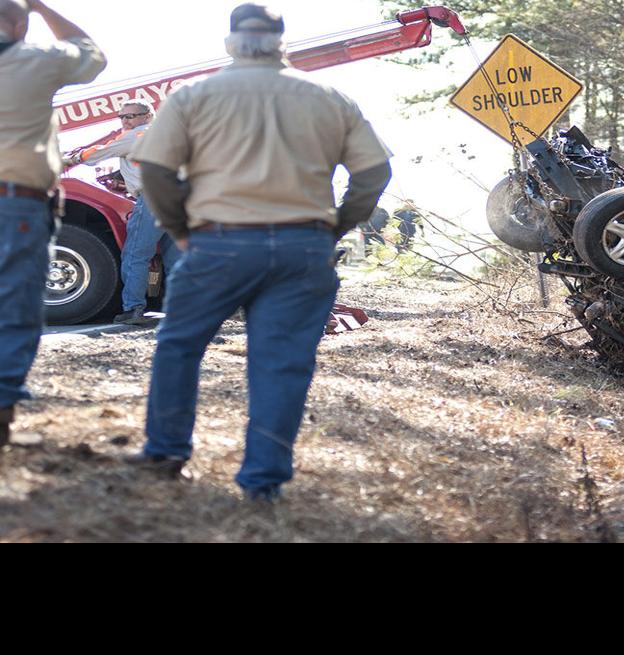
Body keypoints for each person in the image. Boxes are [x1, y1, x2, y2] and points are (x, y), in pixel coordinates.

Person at [129, 3, 392, 500]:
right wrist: (336, 226)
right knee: (283, 362)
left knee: (180, 345)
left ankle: (165, 453)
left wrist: (180, 230)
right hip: (302, 245)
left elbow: (156, 170)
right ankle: (263, 483)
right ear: (282, 41)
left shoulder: (193, 96)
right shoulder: (331, 97)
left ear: (231, 42)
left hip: (218, 242)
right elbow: (375, 172)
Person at [0, 0, 106, 445]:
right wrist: (43, 8)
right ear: (19, 23)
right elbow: (91, 54)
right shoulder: (36, 61)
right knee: (16, 305)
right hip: (15, 203)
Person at [65, 99, 180, 324]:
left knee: (136, 254)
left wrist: (74, 157)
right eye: (122, 117)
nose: (125, 121)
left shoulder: (137, 135)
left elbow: (99, 153)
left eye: (130, 116)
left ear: (147, 116)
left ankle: (133, 309)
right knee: (176, 259)